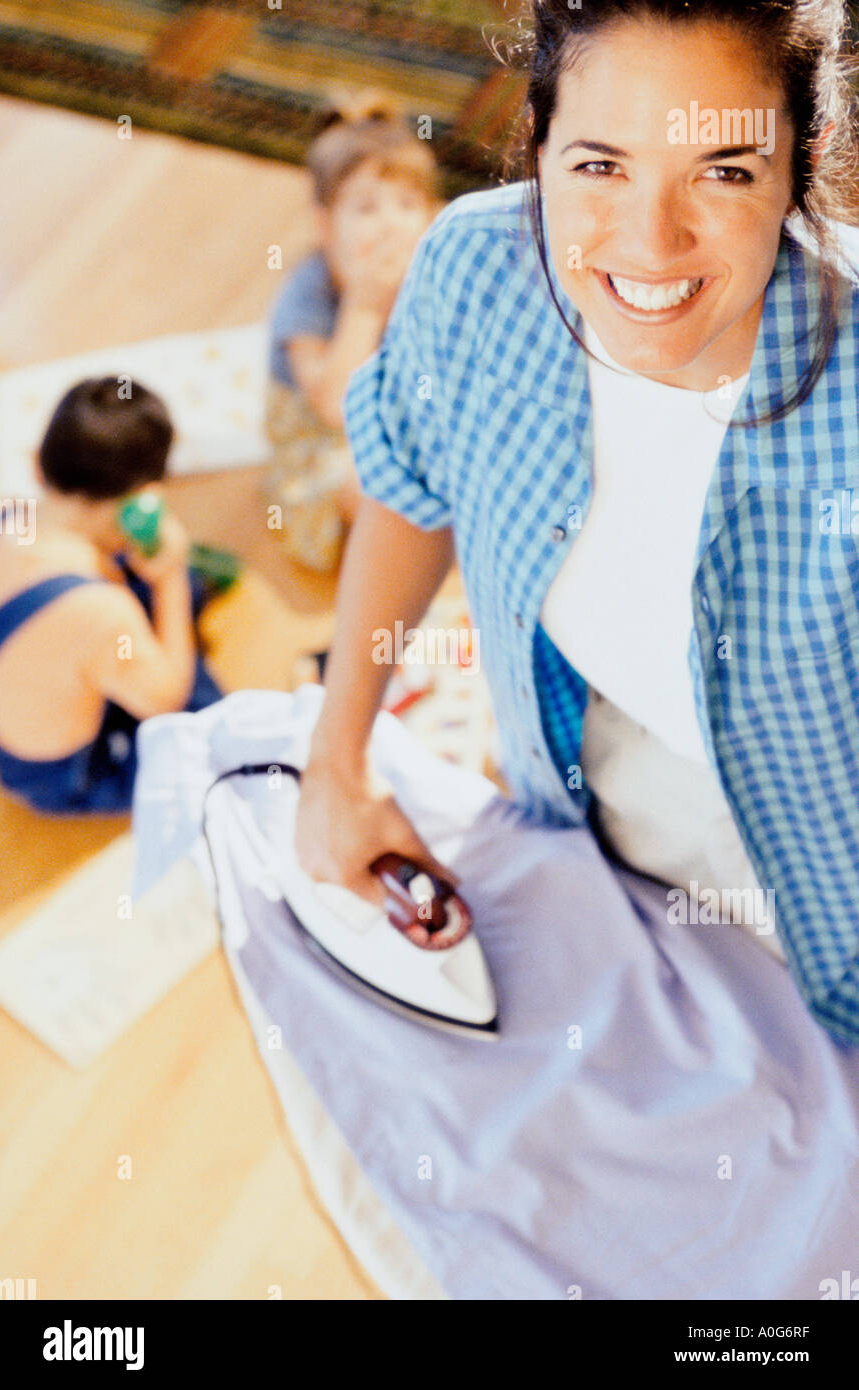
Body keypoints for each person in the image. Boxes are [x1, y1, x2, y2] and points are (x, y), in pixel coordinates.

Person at [293, 0, 859, 1046]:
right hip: (585, 800)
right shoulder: (471, 271)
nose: (649, 247)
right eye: (600, 166)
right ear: (538, 140)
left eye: (722, 171)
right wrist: (339, 759)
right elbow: (411, 485)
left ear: (804, 157)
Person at [0, 377, 223, 814]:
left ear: (38, 467)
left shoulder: (6, 513)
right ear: (142, 498)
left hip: (10, 734)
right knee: (206, 729)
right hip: (67, 775)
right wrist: (169, 576)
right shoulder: (100, 612)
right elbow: (165, 701)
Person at [265, 90, 441, 572]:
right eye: (365, 210)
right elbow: (333, 410)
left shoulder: (429, 270)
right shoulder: (311, 290)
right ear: (325, 225)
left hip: (405, 413)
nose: (389, 225)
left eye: (406, 205)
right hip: (326, 446)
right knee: (369, 487)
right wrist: (363, 307)